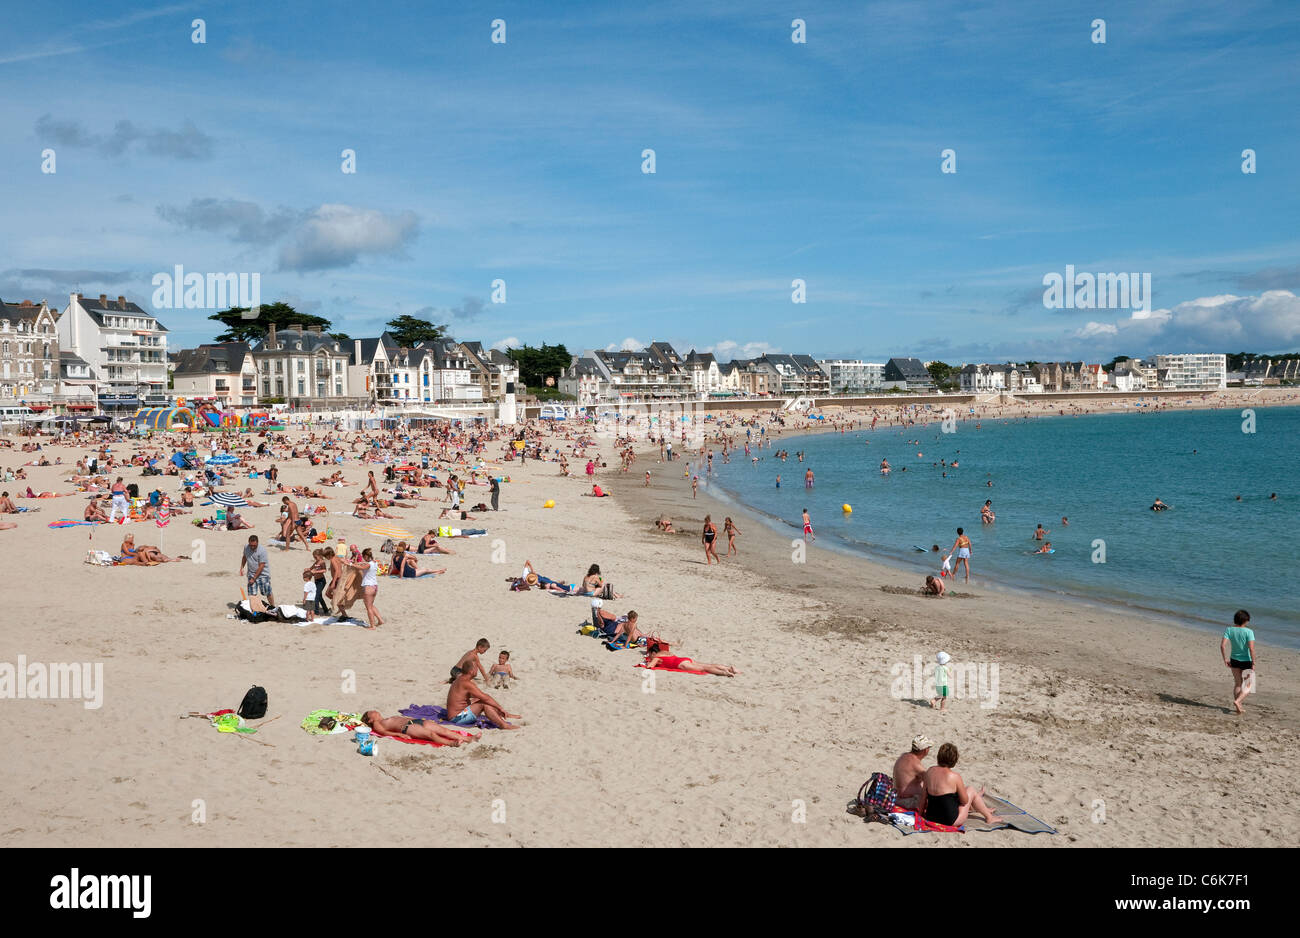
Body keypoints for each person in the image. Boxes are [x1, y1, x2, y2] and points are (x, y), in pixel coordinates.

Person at [920, 743, 1003, 827]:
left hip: (930, 817)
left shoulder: (929, 772)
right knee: (970, 790)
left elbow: (923, 798)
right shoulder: (955, 776)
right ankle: (989, 817)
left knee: (959, 793)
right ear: (954, 760)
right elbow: (964, 801)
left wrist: (919, 815)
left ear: (938, 757)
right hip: (949, 821)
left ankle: (983, 808)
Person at [446, 667, 521, 729]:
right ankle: (504, 725)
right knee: (484, 703)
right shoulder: (467, 683)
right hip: (457, 718)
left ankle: (505, 714)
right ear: (471, 671)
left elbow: (475, 696)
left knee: (480, 700)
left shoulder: (460, 680)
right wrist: (500, 708)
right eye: (476, 669)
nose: (477, 670)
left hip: (455, 714)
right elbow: (486, 698)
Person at [361, 710, 478, 746]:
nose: (374, 711)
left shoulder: (383, 719)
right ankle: (452, 743)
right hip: (407, 727)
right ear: (370, 720)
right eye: (371, 713)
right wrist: (399, 735)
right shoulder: (377, 723)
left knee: (444, 730)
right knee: (431, 735)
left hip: (415, 721)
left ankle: (468, 739)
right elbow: (383, 732)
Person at [1220, 609, 1257, 715]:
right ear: (1246, 621)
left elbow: (1222, 645)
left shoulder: (1229, 630)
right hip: (1246, 661)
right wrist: (1253, 662)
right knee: (1249, 684)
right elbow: (1251, 649)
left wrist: (1225, 659)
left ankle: (1238, 707)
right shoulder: (1249, 632)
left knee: (1238, 683)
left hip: (1234, 659)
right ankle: (1238, 701)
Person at [643, 642, 739, 676]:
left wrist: (649, 662)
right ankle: (729, 668)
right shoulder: (665, 652)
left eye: (650, 655)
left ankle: (725, 673)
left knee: (704, 669)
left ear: (653, 652)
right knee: (706, 665)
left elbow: (649, 667)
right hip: (683, 659)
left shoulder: (656, 657)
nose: (650, 657)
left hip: (680, 664)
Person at [346, 547, 384, 629]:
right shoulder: (374, 562)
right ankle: (380, 620)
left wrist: (350, 564)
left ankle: (372, 626)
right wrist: (355, 560)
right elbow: (362, 564)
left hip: (368, 587)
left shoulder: (368, 564)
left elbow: (362, 567)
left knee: (368, 608)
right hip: (375, 586)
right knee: (371, 605)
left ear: (366, 556)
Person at [240, 535, 274, 605]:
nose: (252, 547)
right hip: (251, 574)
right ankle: (255, 610)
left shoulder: (262, 551)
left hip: (263, 575)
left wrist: (254, 578)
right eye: (251, 545)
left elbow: (261, 566)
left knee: (267, 592)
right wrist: (242, 567)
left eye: (254, 545)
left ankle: (273, 607)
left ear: (258, 543)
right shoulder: (246, 547)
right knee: (252, 595)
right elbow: (244, 557)